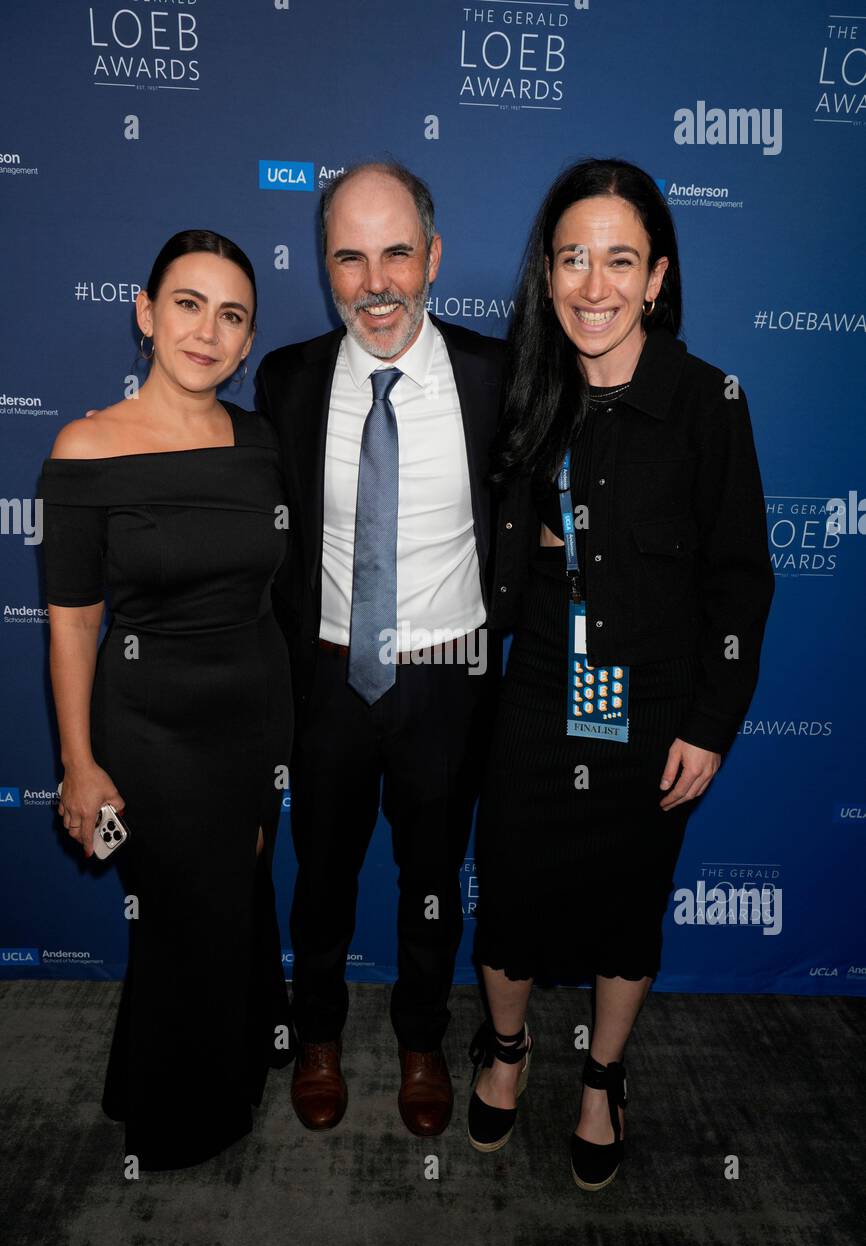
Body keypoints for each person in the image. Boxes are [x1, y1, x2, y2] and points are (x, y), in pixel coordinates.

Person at [469, 158, 774, 1189]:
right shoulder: (523, 391)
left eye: (616, 260)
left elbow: (739, 579)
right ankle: (504, 1053)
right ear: (544, 273)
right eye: (569, 258)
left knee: (626, 904)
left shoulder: (704, 401)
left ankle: (602, 1074)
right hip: (535, 692)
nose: (590, 284)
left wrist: (710, 723)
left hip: (650, 706)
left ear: (654, 277)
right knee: (506, 890)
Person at [256, 161, 504, 1137]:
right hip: (323, 670)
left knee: (432, 878)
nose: (375, 283)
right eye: (349, 258)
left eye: (395, 252)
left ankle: (418, 1039)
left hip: (446, 678)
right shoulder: (286, 381)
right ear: (324, 269)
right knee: (321, 871)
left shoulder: (491, 377)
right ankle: (314, 1034)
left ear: (432, 257)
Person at [37, 230, 294, 1171]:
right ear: (145, 314)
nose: (208, 331)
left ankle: (178, 1071)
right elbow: (71, 623)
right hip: (147, 727)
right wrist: (79, 762)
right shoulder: (86, 447)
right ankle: (182, 1118)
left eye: (232, 316)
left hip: (256, 719)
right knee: (180, 912)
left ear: (246, 339)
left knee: (232, 902)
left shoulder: (261, 443)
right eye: (188, 304)